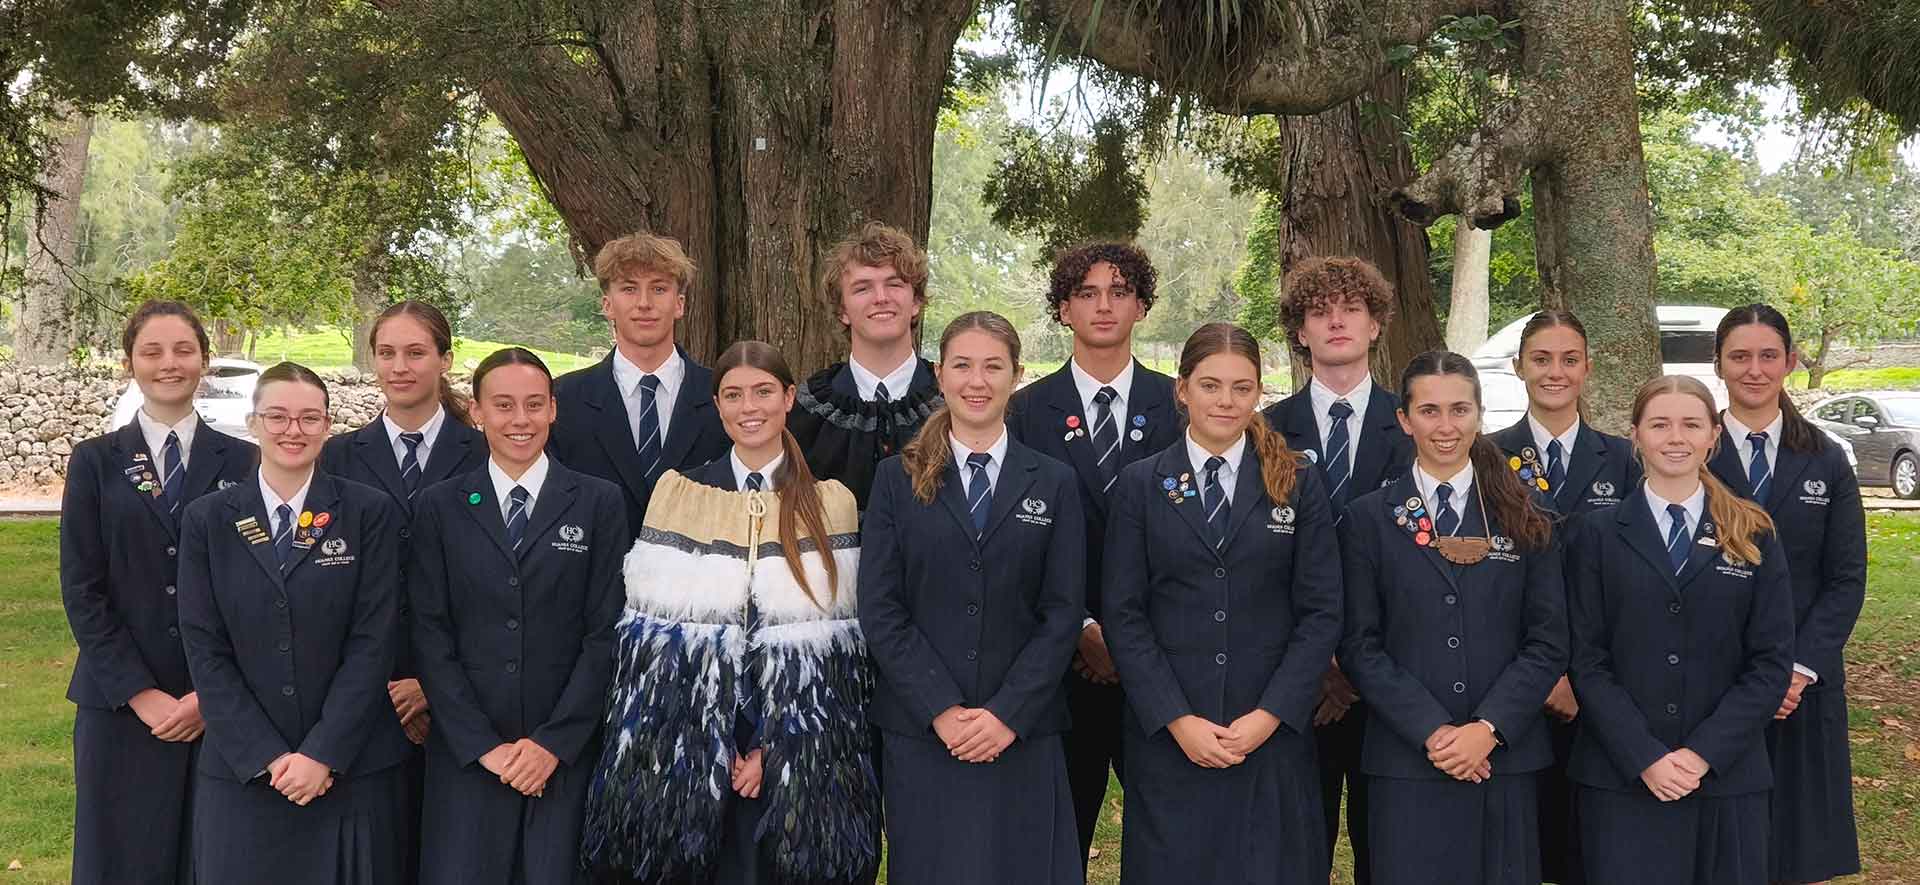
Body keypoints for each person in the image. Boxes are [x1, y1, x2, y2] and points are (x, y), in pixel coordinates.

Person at [582, 341, 879, 884]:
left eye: (764, 392)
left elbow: (841, 658)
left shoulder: (832, 502)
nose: (750, 408)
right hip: (693, 750)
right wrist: (709, 743)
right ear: (716, 406)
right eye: (734, 395)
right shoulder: (680, 495)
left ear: (789, 397)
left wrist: (774, 742)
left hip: (793, 750)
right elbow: (649, 653)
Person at [1101, 321, 1344, 883]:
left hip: (1269, 733)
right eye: (1211, 385)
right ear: (1182, 389)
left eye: (1242, 387)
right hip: (1171, 737)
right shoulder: (1141, 484)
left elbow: (1321, 611)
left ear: (1260, 392)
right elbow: (1125, 613)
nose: (1226, 401)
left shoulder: (1297, 480)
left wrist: (1270, 715)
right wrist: (1177, 720)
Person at [858, 311, 1087, 884]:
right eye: (962, 365)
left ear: (1017, 375)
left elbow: (1062, 613)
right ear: (940, 375)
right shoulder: (896, 478)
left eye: (993, 366)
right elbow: (881, 608)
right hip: (924, 729)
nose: (977, 381)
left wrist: (1007, 713)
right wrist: (941, 708)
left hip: (1022, 730)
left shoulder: (1054, 482)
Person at [176, 362, 410, 883]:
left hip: (350, 767)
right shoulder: (208, 519)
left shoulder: (369, 512)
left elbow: (373, 642)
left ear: (328, 426)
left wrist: (321, 753)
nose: (293, 431)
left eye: (309, 418)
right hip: (244, 770)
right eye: (277, 416)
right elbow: (204, 646)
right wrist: (267, 755)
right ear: (252, 422)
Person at [1337, 350, 1566, 884]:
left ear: (1480, 414)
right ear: (1404, 419)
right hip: (1408, 758)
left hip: (1503, 757)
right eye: (1430, 411)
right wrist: (1434, 731)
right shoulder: (1367, 519)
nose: (1446, 426)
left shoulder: (1526, 515)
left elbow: (1548, 640)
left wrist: (1488, 728)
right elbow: (1360, 644)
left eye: (1460, 410)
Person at [409, 348, 627, 885]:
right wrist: (482, 745)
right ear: (478, 412)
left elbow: (606, 632)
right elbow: (430, 633)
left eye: (533, 404)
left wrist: (554, 743)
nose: (520, 420)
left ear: (554, 409)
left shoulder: (599, 502)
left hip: (564, 754)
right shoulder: (440, 505)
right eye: (502, 405)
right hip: (469, 755)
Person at [1566, 375, 1795, 885]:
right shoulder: (1596, 533)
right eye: (1660, 424)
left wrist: (1701, 755)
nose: (1676, 437)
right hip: (1621, 777)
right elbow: (1586, 659)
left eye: (1691, 424)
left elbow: (1771, 661)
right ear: (1635, 436)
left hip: (1726, 777)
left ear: (1714, 435)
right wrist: (1645, 756)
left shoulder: (1753, 532)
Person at [61, 300, 256, 885]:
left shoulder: (247, 462)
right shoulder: (94, 462)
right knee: (119, 857)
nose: (168, 363)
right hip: (118, 703)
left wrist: (206, 694)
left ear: (205, 363)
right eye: (152, 351)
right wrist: (140, 692)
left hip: (216, 704)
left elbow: (254, 589)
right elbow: (82, 587)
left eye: (182, 350)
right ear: (130, 364)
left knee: (210, 856)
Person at [1008, 241, 1181, 861]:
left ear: (1141, 305)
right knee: (1059, 837)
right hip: (1062, 661)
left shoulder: (1181, 405)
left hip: (1163, 658)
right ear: (1063, 309)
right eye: (1086, 293)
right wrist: (1080, 626)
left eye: (1119, 292)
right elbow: (1018, 543)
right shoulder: (1024, 411)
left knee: (1169, 836)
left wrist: (1130, 635)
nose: (1103, 306)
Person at [319, 299, 487, 880]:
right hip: (367, 690)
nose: (400, 366)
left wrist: (433, 684)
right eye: (386, 353)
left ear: (444, 359)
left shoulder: (487, 454)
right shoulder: (335, 458)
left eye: (416, 352)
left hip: (468, 688)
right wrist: (387, 681)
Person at [1260, 256, 1413, 884]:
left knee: (1390, 846)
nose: (1336, 322)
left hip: (1393, 668)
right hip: (1300, 676)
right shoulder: (1266, 430)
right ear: (1300, 332)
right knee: (1298, 845)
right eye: (1320, 313)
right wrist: (1317, 659)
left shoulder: (1414, 425)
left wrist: (1361, 660)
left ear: (1376, 324)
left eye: (1351, 309)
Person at [1706, 304, 1865, 885]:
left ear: (1791, 363)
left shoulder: (1826, 458)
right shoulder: (1693, 453)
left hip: (1803, 683)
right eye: (1739, 357)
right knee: (1721, 842)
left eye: (1768, 356)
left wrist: (1797, 671)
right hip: (1712, 678)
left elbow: (1846, 579)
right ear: (1718, 365)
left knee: (1796, 846)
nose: (1754, 370)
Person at [1489, 309, 1642, 885]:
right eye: (1542, 359)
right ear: (1518, 367)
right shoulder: (1486, 458)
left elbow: (1633, 583)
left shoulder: (1625, 460)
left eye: (1569, 360)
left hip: (1602, 681)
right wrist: (1543, 674)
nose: (1556, 372)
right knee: (1523, 849)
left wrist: (1580, 675)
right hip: (1515, 679)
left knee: (1592, 849)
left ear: (1588, 369)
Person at [551, 233, 729, 539]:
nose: (644, 303)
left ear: (679, 304)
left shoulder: (723, 396)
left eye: (659, 289)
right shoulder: (564, 399)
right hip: (597, 580)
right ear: (607, 304)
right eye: (629, 289)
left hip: (698, 579)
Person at [788, 222, 944, 510]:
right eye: (863, 288)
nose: (881, 298)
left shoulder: (952, 399)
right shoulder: (807, 413)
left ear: (916, 302)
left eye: (894, 284)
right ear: (842, 310)